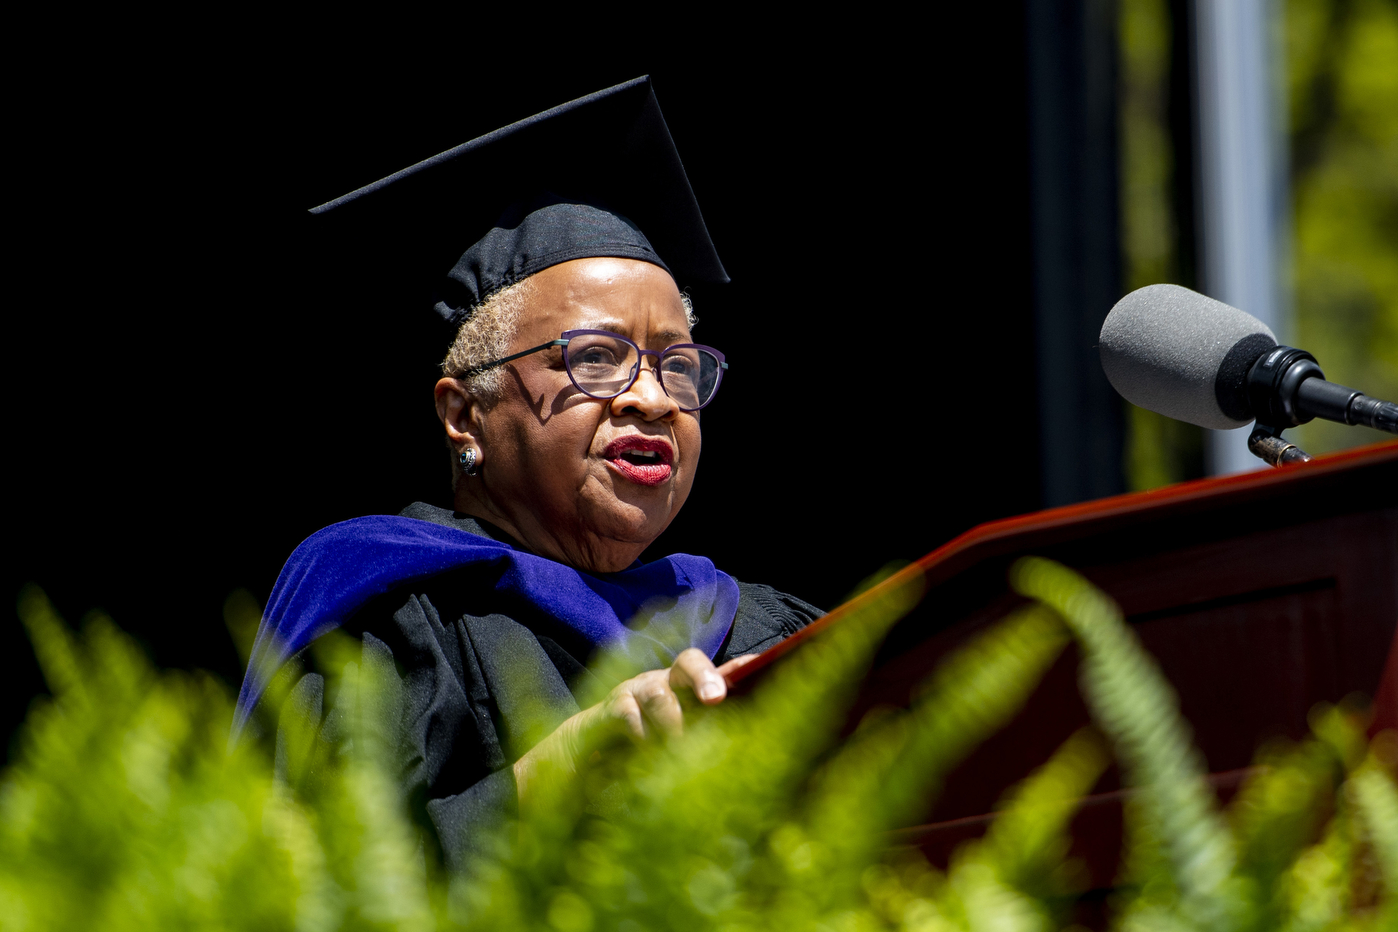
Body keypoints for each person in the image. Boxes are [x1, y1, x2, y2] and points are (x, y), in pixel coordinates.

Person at [234, 77, 822, 871]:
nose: (653, 399)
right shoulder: (385, 612)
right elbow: (313, 885)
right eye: (597, 358)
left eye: (678, 366)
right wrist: (567, 770)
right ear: (463, 413)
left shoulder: (760, 629)